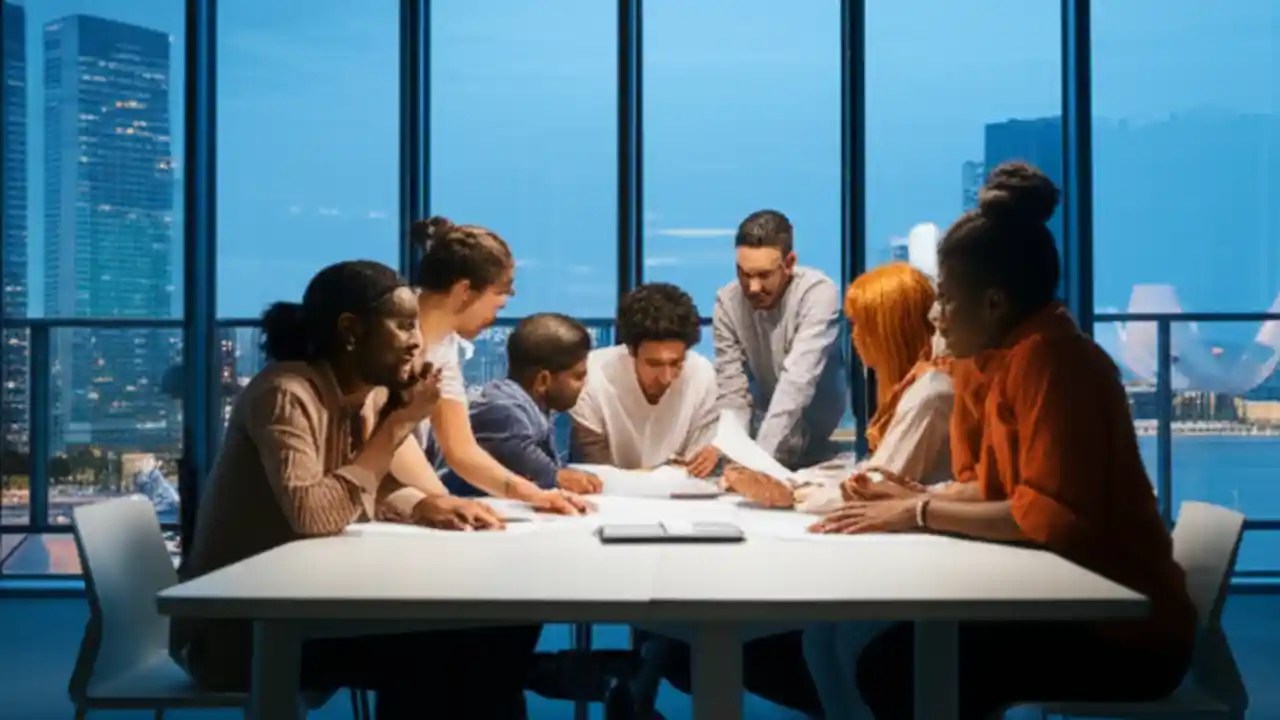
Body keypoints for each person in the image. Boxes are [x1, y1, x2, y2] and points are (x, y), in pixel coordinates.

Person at [822, 162, 1196, 719]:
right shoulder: (1001, 361)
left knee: (892, 664)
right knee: (876, 651)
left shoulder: (1054, 362)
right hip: (1073, 601)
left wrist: (920, 511)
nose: (937, 315)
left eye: (946, 298)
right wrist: (915, 499)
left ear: (993, 302)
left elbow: (1045, 517)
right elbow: (993, 488)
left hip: (1124, 632)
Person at [174, 260, 541, 718]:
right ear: (351, 330)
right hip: (241, 636)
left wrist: (424, 504)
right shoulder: (286, 394)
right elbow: (315, 514)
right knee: (447, 648)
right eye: (404, 325)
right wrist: (399, 424)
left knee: (499, 630)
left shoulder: (360, 395)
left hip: (302, 607)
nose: (415, 341)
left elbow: (368, 483)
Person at [726, 262, 954, 513]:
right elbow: (872, 474)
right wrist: (796, 483)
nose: (854, 337)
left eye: (861, 325)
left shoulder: (929, 395)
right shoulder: (912, 388)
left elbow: (873, 490)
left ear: (890, 330)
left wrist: (794, 495)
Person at [412, 216, 593, 514]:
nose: (494, 318)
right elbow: (391, 439)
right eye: (498, 304)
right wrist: (438, 500)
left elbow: (462, 450)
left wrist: (536, 496)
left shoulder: (444, 347)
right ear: (464, 291)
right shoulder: (396, 339)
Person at [714, 209, 847, 469]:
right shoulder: (727, 302)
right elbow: (732, 392)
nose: (753, 287)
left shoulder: (818, 293)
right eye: (744, 274)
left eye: (764, 275)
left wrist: (758, 462)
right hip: (760, 422)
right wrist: (736, 453)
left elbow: (797, 381)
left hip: (817, 429)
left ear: (789, 263)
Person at [440, 313, 602, 496]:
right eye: (578, 376)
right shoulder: (503, 410)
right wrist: (560, 477)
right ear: (543, 380)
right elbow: (546, 476)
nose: (585, 384)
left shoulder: (523, 405)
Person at [570, 283, 719, 477]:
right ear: (630, 350)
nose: (666, 378)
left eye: (676, 363)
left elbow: (695, 471)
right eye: (654, 364)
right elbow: (596, 473)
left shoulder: (702, 375)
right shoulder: (591, 376)